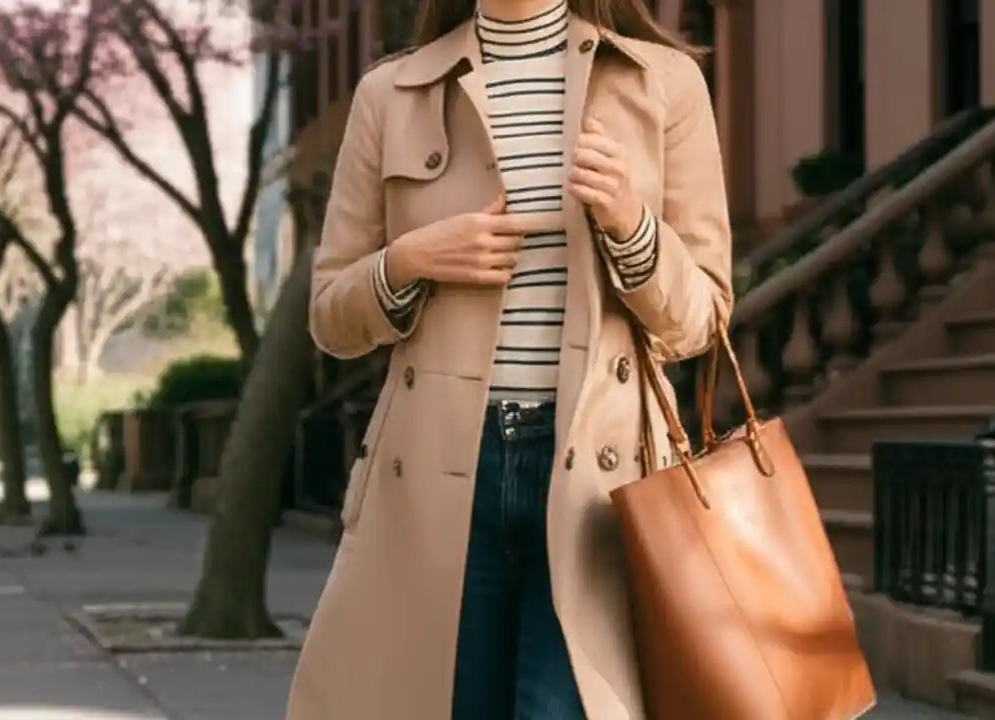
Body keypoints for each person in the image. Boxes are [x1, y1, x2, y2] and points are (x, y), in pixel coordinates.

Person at [287, 0, 732, 718]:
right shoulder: (390, 93)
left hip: (597, 482)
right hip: (438, 476)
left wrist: (630, 223)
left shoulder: (662, 83)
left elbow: (701, 321)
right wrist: (409, 260)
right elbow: (330, 316)